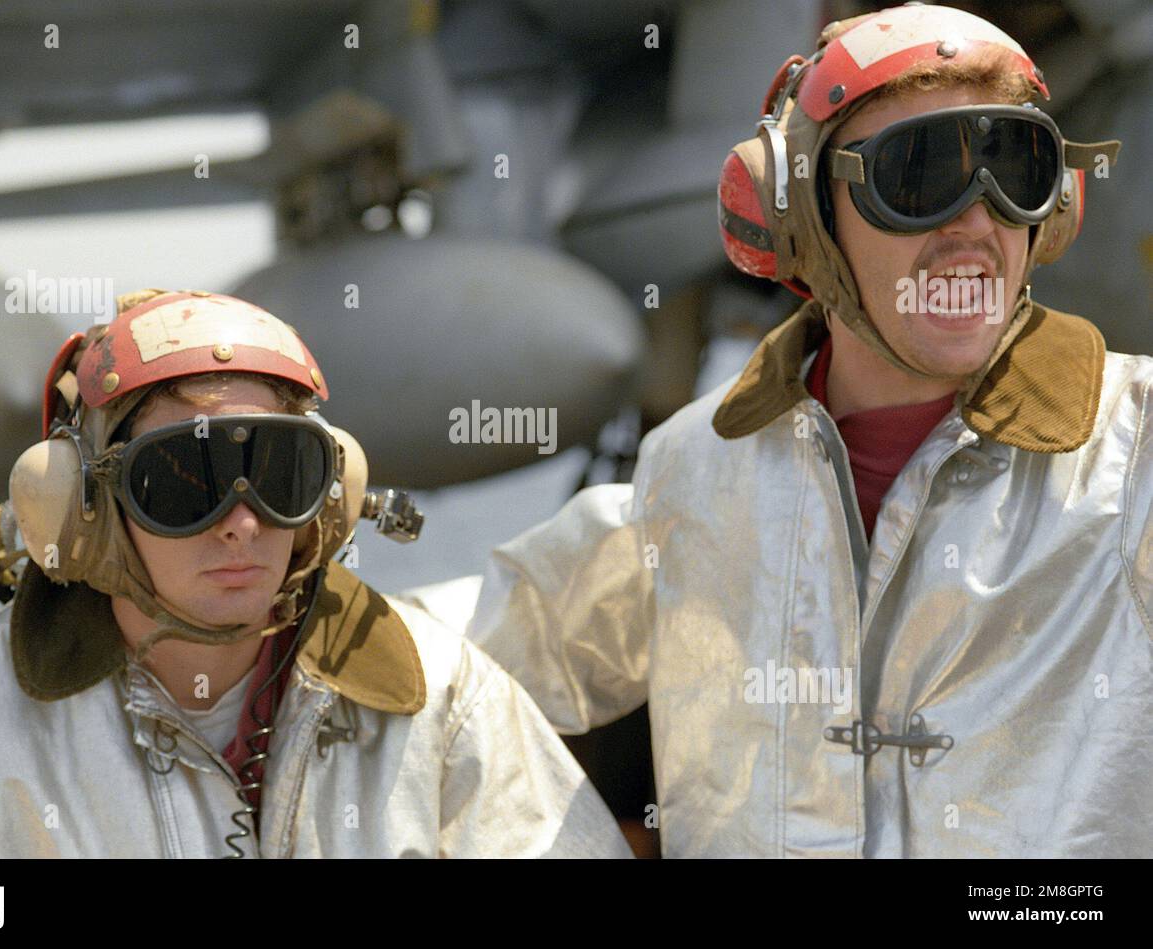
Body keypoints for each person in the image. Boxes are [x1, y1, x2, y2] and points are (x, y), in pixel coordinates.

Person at [461, 4, 1148, 856]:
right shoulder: (694, 473)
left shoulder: (1134, 453)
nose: (978, 220)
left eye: (1016, 165)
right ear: (800, 217)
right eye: (923, 173)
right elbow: (455, 689)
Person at [0, 288, 632, 858]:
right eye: (184, 479)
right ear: (82, 507)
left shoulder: (443, 698)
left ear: (333, 496)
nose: (243, 522)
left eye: (280, 471)